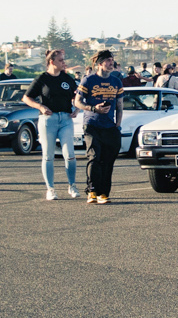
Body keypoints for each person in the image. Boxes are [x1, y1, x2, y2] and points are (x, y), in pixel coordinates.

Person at [24, 49, 81, 199]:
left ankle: (72, 186)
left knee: (69, 154)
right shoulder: (42, 79)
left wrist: (77, 108)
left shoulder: (67, 79)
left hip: (66, 119)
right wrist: (40, 107)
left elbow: (77, 96)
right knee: (48, 155)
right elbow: (26, 98)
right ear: (52, 62)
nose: (64, 62)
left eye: (63, 60)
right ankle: (50, 189)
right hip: (48, 120)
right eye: (61, 60)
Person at [76, 51, 124, 203]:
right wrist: (93, 109)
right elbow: (77, 102)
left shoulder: (116, 82)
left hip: (110, 127)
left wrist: (118, 123)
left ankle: (103, 193)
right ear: (100, 63)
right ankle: (92, 191)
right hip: (92, 125)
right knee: (94, 157)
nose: (112, 63)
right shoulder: (88, 80)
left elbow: (120, 105)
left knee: (108, 160)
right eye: (109, 61)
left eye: (112, 60)